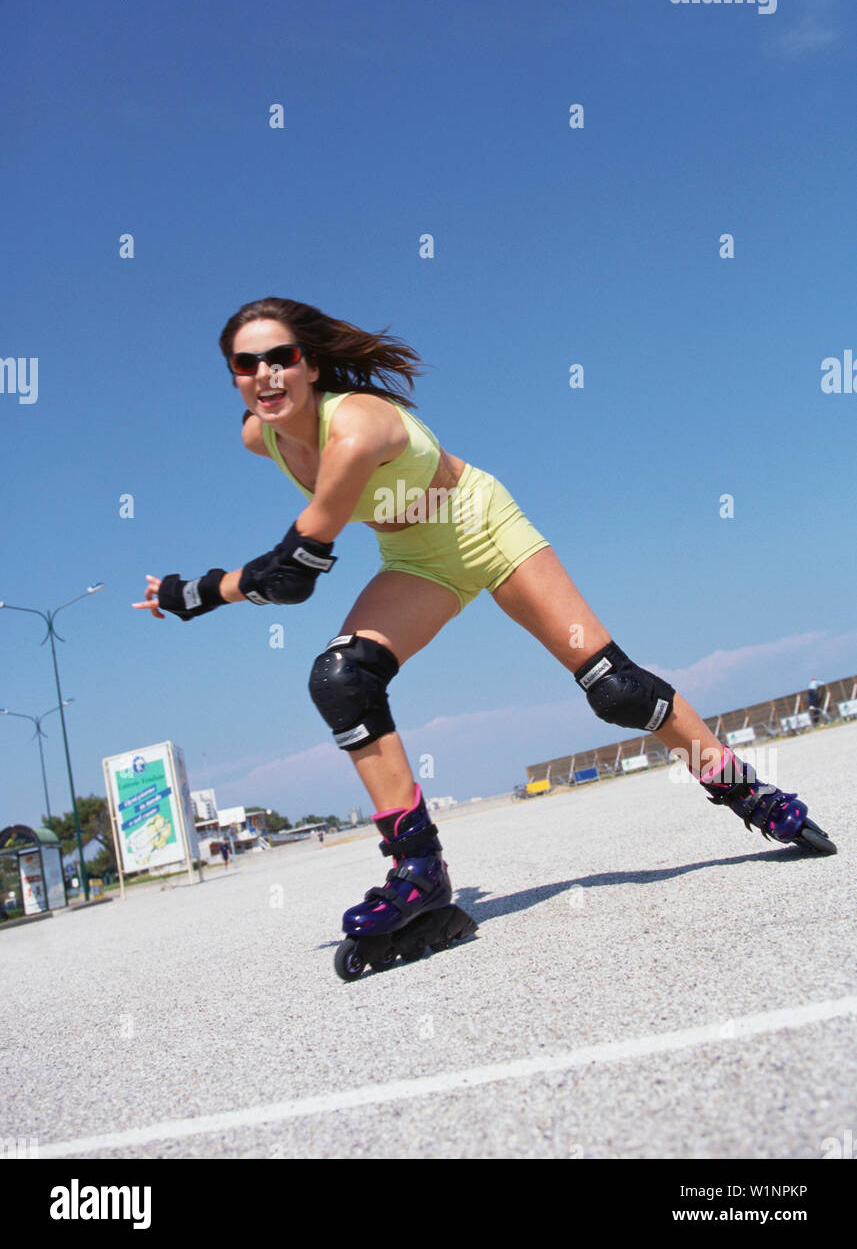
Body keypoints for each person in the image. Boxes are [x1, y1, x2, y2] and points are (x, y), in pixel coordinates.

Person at [134, 298, 836, 974]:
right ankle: (419, 871)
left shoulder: (358, 428)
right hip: (416, 562)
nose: (264, 376)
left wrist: (192, 593)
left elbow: (291, 576)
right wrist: (195, 593)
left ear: (310, 364)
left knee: (614, 689)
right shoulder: (260, 438)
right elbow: (289, 569)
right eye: (243, 364)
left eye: (278, 357)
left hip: (485, 527)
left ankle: (742, 788)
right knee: (341, 678)